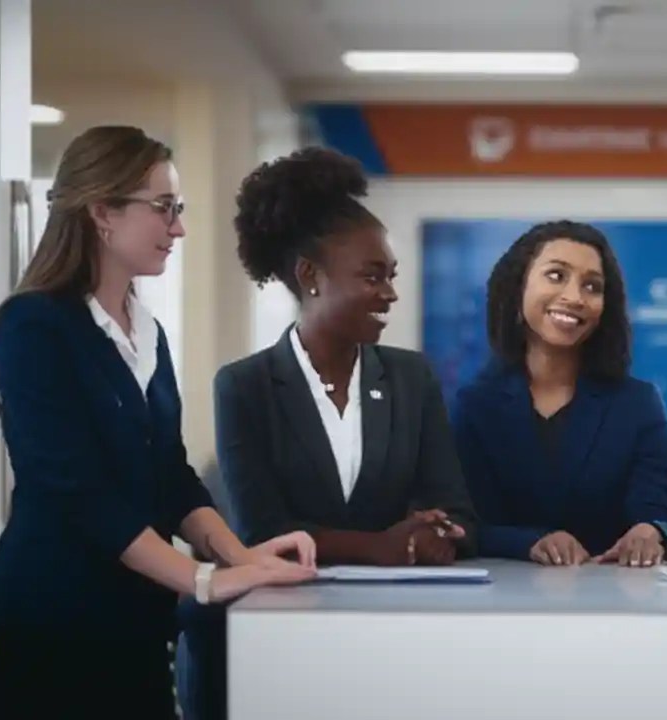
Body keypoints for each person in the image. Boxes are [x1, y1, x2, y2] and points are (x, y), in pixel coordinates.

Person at [0, 126, 315, 719]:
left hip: (136, 616)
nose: (177, 227)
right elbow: (78, 493)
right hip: (56, 618)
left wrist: (241, 558)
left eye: (177, 209)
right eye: (164, 208)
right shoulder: (34, 326)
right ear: (103, 212)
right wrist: (201, 579)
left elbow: (170, 475)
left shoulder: (145, 331)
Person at [176, 147, 477, 719]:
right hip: (271, 629)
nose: (389, 293)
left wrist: (440, 534)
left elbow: (454, 505)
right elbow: (260, 528)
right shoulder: (245, 385)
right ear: (310, 276)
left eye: (391, 276)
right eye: (372, 276)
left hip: (395, 634)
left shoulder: (412, 377)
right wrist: (379, 546)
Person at [452, 220, 667, 567]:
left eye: (592, 286)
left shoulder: (638, 404)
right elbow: (462, 522)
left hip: (613, 598)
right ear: (518, 287)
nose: (575, 297)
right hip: (501, 599)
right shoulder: (472, 404)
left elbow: (659, 511)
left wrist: (651, 531)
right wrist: (529, 542)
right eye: (557, 276)